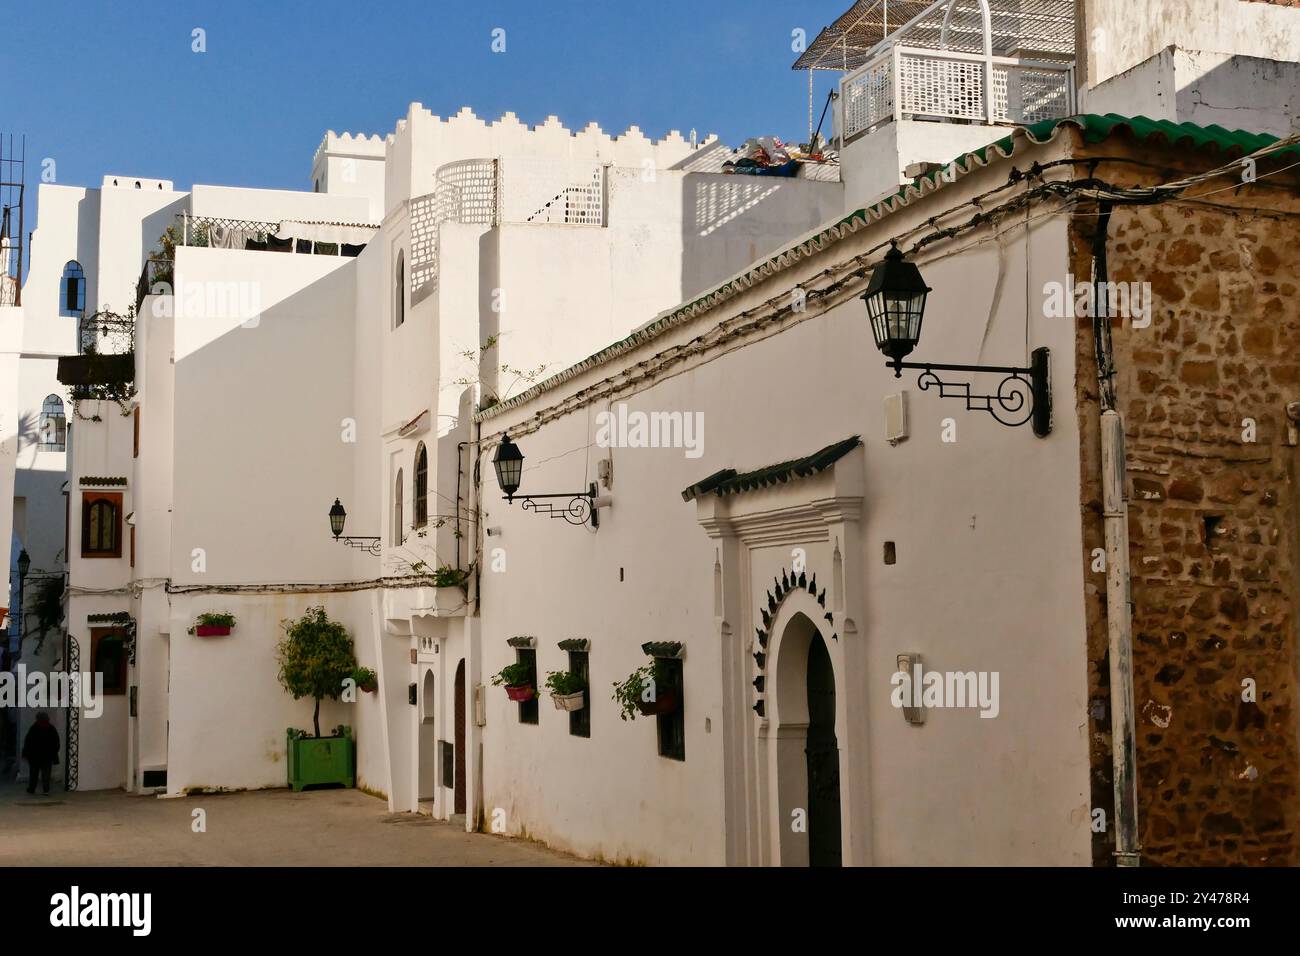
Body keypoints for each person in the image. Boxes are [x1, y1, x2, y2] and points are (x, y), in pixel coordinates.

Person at [22, 712, 60, 795]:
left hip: (35, 756)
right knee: (46, 774)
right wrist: (53, 753)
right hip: (47, 756)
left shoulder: (34, 728)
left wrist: (25, 754)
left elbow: (28, 742)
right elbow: (56, 742)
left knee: (33, 774)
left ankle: (32, 789)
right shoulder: (51, 729)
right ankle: (46, 790)